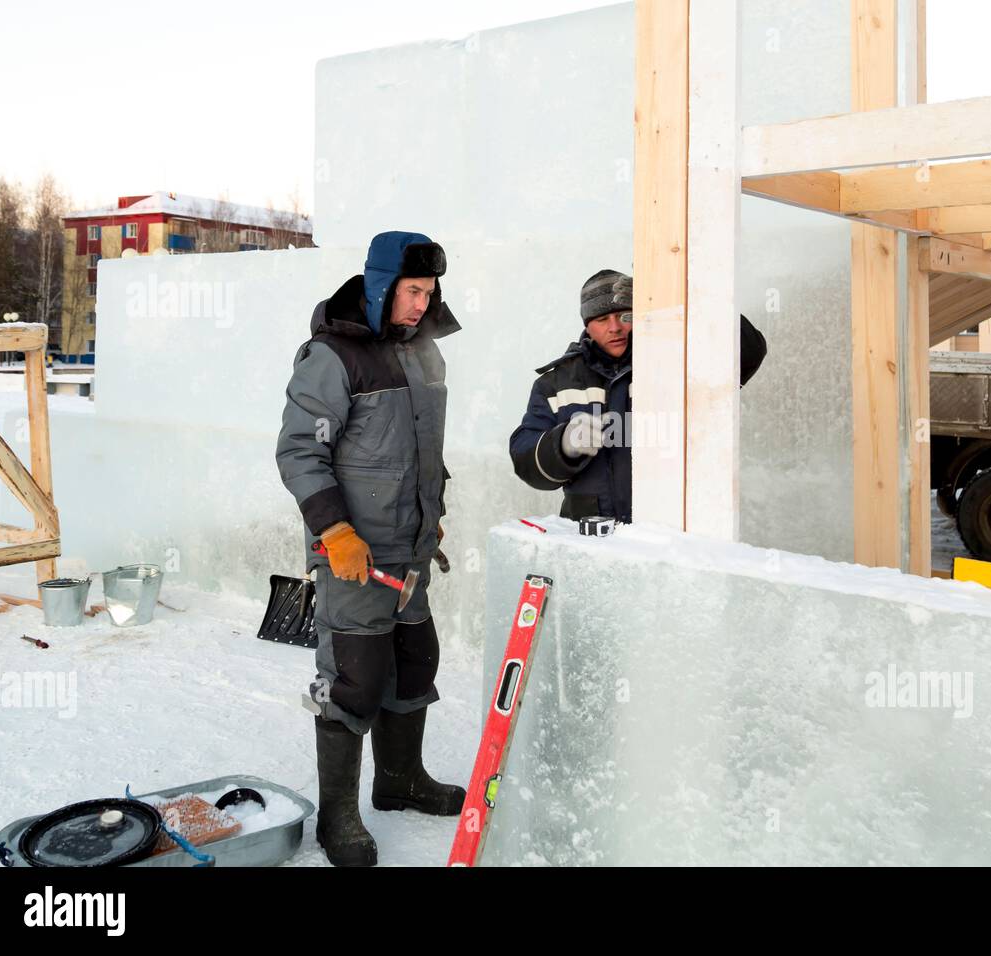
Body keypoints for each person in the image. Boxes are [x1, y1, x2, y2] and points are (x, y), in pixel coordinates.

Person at [276, 231, 465, 867]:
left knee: (414, 661)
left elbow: (419, 450)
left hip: (409, 555)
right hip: (353, 556)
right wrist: (334, 530)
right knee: (355, 679)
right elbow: (300, 451)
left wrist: (429, 516)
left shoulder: (424, 354)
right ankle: (337, 818)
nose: (422, 304)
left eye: (430, 292)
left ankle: (399, 780)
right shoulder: (333, 356)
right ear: (383, 285)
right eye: (413, 291)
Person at [510, 269, 767, 522]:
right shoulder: (555, 384)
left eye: (624, 316)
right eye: (602, 320)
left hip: (665, 532)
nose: (615, 328)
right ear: (587, 327)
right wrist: (563, 444)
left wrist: (684, 299)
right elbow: (525, 461)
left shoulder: (673, 359)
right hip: (588, 541)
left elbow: (747, 350)